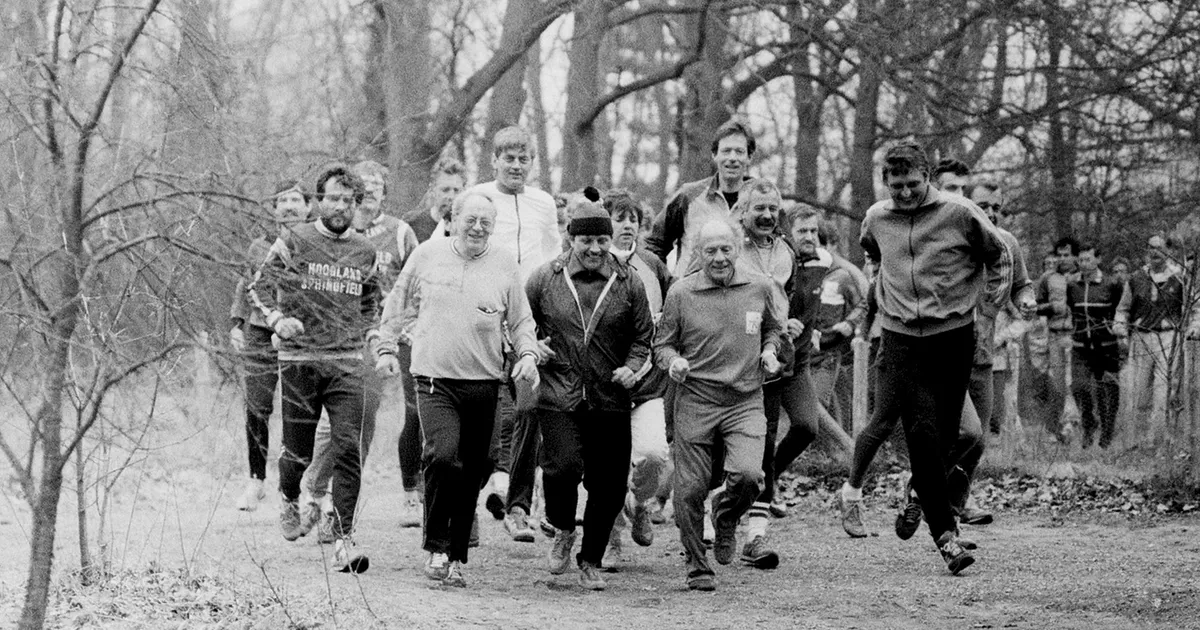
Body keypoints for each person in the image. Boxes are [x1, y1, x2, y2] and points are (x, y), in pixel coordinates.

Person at [858, 141, 1012, 575]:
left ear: (927, 176)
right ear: (885, 183)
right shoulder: (877, 217)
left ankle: (917, 495)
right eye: (896, 185)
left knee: (948, 434)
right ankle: (945, 537)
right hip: (902, 336)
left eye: (912, 184)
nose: (904, 193)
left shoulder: (960, 213)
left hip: (953, 335)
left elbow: (998, 253)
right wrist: (882, 289)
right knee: (921, 432)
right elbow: (871, 252)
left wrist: (989, 301)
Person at [373, 191, 540, 587]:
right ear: (453, 220)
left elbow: (520, 321)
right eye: (471, 219)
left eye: (486, 221)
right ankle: (436, 545)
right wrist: (385, 345)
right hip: (434, 378)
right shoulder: (428, 254)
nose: (478, 227)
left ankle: (456, 555)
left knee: (478, 464)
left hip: (484, 381)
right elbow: (397, 302)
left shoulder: (503, 263)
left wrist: (528, 354)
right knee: (444, 456)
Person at [247, 165, 381, 574]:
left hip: (346, 362)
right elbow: (260, 284)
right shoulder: (294, 238)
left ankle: (342, 538)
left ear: (357, 204)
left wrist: (371, 336)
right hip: (300, 359)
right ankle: (289, 496)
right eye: (333, 198)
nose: (340, 206)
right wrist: (276, 321)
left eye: (348, 200)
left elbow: (372, 302)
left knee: (347, 449)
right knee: (297, 453)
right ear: (318, 200)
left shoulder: (365, 250)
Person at [525, 196, 655, 590]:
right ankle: (564, 528)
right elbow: (519, 324)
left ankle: (591, 560)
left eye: (602, 239)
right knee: (562, 468)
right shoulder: (545, 278)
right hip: (560, 393)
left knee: (610, 484)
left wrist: (632, 367)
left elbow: (644, 334)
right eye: (587, 241)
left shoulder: (627, 280)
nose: (595, 249)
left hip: (610, 395)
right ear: (571, 239)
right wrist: (534, 346)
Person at [654, 219, 783, 591]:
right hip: (696, 397)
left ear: (737, 248)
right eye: (710, 250)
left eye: (726, 249)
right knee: (690, 489)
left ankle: (726, 515)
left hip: (745, 398)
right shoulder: (681, 292)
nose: (719, 257)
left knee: (748, 476)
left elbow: (773, 328)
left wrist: (771, 351)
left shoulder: (759, 285)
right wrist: (673, 362)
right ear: (698, 253)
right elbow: (662, 344)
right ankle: (697, 564)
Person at [467, 126, 560, 542]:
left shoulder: (543, 203)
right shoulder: (479, 198)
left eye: (524, 158)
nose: (517, 165)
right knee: (484, 414)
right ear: (494, 160)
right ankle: (468, 503)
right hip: (485, 314)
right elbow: (452, 247)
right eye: (509, 158)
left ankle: (516, 503)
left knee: (526, 409)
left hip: (533, 320)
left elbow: (555, 258)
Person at [940, 181, 1035, 527]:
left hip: (983, 354)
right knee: (955, 432)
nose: (991, 213)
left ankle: (954, 502)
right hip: (946, 350)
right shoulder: (953, 238)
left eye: (997, 207)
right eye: (984, 205)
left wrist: (1024, 300)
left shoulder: (1007, 243)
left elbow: (1022, 284)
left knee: (977, 439)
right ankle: (931, 495)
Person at [229, 180, 310, 511]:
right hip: (260, 331)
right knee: (257, 404)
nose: (289, 206)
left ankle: (295, 484)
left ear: (308, 207)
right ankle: (256, 480)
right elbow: (245, 284)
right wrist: (236, 323)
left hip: (301, 334)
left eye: (295, 199)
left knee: (301, 408)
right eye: (282, 200)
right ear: (274, 209)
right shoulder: (259, 246)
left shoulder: (317, 244)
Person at [602, 189, 672, 557]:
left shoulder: (652, 266)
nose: (628, 226)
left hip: (648, 385)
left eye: (634, 219)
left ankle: (640, 503)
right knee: (607, 465)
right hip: (605, 387)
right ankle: (611, 533)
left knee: (653, 454)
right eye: (619, 218)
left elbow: (672, 314)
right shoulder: (592, 264)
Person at [645, 120, 758, 274]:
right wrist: (664, 283)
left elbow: (784, 248)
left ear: (749, 157)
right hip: (692, 294)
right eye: (726, 151)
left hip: (743, 295)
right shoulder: (689, 196)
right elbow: (654, 243)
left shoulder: (762, 202)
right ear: (714, 155)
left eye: (739, 151)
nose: (732, 158)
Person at [1115, 236, 1185, 447]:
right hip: (1141, 336)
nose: (1155, 253)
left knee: (1163, 390)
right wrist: (1120, 330)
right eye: (1151, 248)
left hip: (1167, 335)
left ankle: (1158, 441)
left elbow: (1190, 309)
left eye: (1160, 249)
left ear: (1168, 251)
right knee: (1135, 390)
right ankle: (1131, 443)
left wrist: (1191, 328)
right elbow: (1123, 308)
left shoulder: (1179, 278)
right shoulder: (1137, 278)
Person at [810, 220, 866, 432]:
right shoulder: (807, 269)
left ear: (832, 245)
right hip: (810, 347)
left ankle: (843, 449)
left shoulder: (845, 274)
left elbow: (865, 304)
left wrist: (850, 324)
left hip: (835, 351)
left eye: (822, 245)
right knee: (821, 402)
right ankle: (829, 451)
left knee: (824, 401)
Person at [1067, 244, 1125, 448]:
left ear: (1098, 260)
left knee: (1107, 391)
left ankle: (1107, 435)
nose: (1083, 264)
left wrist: (1117, 334)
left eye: (1088, 260)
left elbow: (1120, 311)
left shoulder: (1112, 284)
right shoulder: (1072, 285)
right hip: (1081, 346)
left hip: (1106, 346)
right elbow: (1071, 311)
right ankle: (1089, 424)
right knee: (1079, 387)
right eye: (1080, 260)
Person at [1034, 237, 1081, 441]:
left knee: (1073, 381)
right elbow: (1036, 305)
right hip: (1054, 335)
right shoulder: (1048, 278)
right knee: (1058, 382)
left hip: (1075, 335)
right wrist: (1051, 308)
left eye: (1067, 255)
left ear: (1075, 256)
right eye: (1059, 255)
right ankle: (1059, 425)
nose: (1063, 259)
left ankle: (1072, 424)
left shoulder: (1082, 277)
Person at [402, 157, 466, 242]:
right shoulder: (412, 224)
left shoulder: (469, 228)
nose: (451, 196)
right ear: (432, 189)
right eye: (445, 190)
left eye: (456, 190)